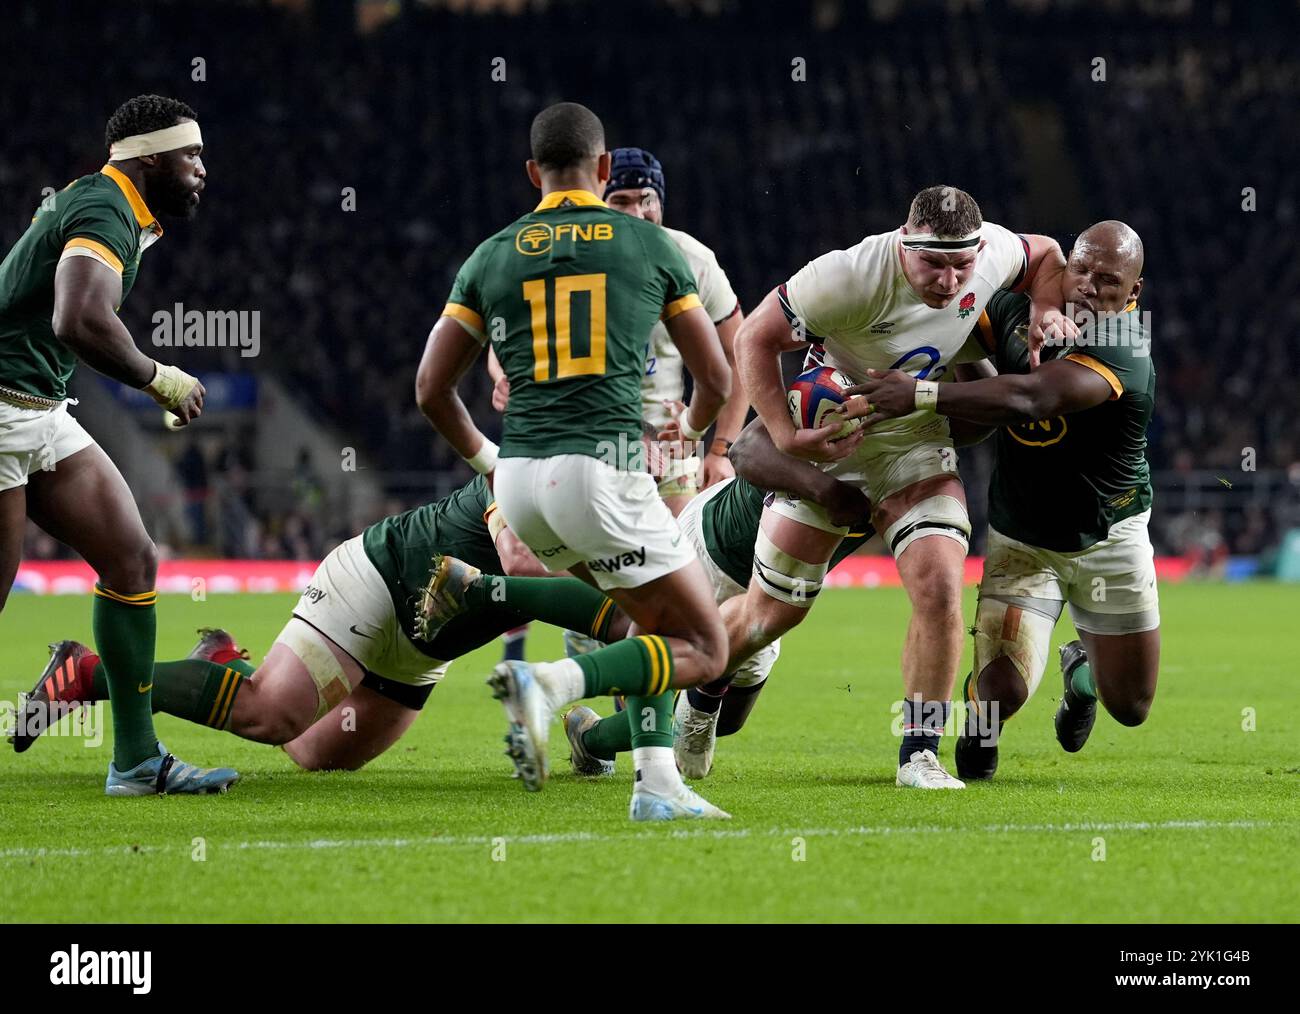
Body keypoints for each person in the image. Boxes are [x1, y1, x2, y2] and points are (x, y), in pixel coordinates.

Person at [415, 102, 733, 821]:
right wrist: (690, 431)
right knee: (705, 647)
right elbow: (716, 376)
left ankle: (655, 784)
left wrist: (486, 462)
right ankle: (551, 684)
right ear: (601, 169)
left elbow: (431, 390)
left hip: (523, 479)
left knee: (639, 620)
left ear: (533, 173)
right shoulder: (649, 244)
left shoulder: (491, 253)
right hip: (606, 467)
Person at [718, 184, 1076, 789]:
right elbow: (753, 336)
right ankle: (699, 689)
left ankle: (919, 752)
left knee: (939, 585)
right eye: (932, 263)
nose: (948, 279)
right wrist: (784, 434)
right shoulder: (850, 275)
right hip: (838, 440)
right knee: (768, 617)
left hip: (915, 443)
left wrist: (1043, 308)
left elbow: (1044, 253)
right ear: (903, 244)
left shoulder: (989, 255)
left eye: (961, 264)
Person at [13, 475, 630, 773]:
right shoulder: (532, 455)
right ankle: (88, 672)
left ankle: (223, 669)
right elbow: (524, 561)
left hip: (422, 649)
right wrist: (619, 621)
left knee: (314, 754)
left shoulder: (625, 496)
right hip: (380, 581)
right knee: (270, 715)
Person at [844, 221, 1158, 780]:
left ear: (1133, 294)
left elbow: (1029, 398)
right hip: (1024, 539)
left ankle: (1080, 676)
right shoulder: (1019, 306)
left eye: (1107, 280)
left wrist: (919, 393)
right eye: (1080, 269)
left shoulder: (1124, 348)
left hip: (1110, 536)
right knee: (998, 700)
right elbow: (956, 309)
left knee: (1130, 707)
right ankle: (979, 720)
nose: (1087, 286)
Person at [0, 94, 234, 795]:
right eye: (190, 155)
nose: (201, 168)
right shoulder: (106, 207)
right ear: (150, 157)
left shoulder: (112, 205)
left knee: (131, 558)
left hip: (39, 408)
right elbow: (77, 317)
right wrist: (159, 377)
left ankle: (135, 761)